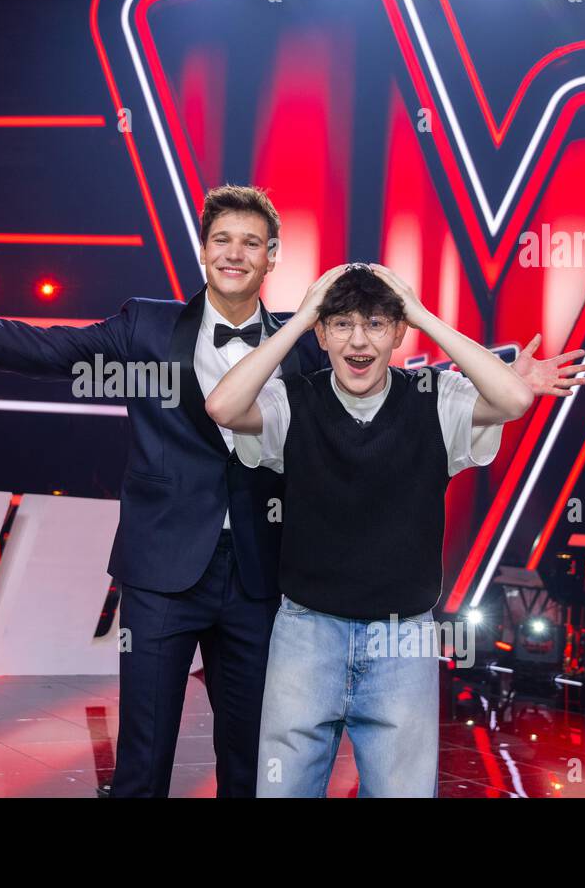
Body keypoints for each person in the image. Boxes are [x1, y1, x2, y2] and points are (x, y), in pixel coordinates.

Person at [0, 188, 585, 797]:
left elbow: (392, 357)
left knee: (253, 765)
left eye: (250, 241)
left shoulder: (306, 337)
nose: (233, 252)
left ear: (271, 257)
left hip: (267, 583)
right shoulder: (145, 325)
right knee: (142, 763)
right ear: (204, 249)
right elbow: (44, 349)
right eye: (220, 238)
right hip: (163, 573)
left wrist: (509, 366)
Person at [205, 262, 550, 797]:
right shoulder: (293, 400)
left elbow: (515, 399)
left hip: (403, 638)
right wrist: (299, 320)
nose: (358, 340)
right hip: (305, 632)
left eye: (376, 323)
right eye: (341, 324)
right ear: (322, 335)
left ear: (397, 333)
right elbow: (223, 406)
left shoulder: (436, 397)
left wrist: (420, 312)